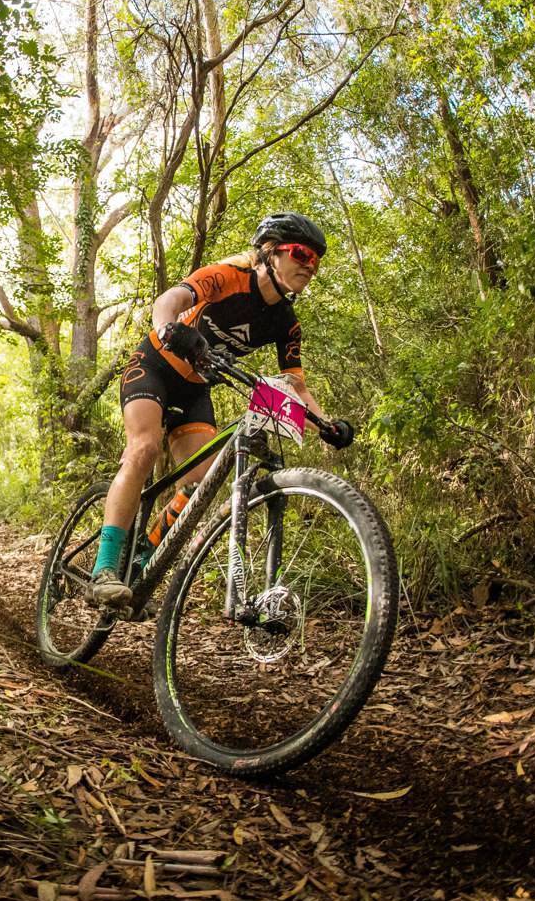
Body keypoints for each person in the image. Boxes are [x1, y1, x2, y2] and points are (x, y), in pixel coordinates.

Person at [90, 211, 355, 607]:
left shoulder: (286, 323)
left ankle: (145, 551)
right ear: (269, 251)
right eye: (301, 253)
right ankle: (105, 567)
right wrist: (169, 327)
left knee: (200, 483)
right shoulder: (229, 275)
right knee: (144, 448)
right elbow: (172, 299)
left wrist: (325, 424)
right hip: (155, 367)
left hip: (196, 390)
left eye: (316, 259)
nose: (309, 265)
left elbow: (295, 384)